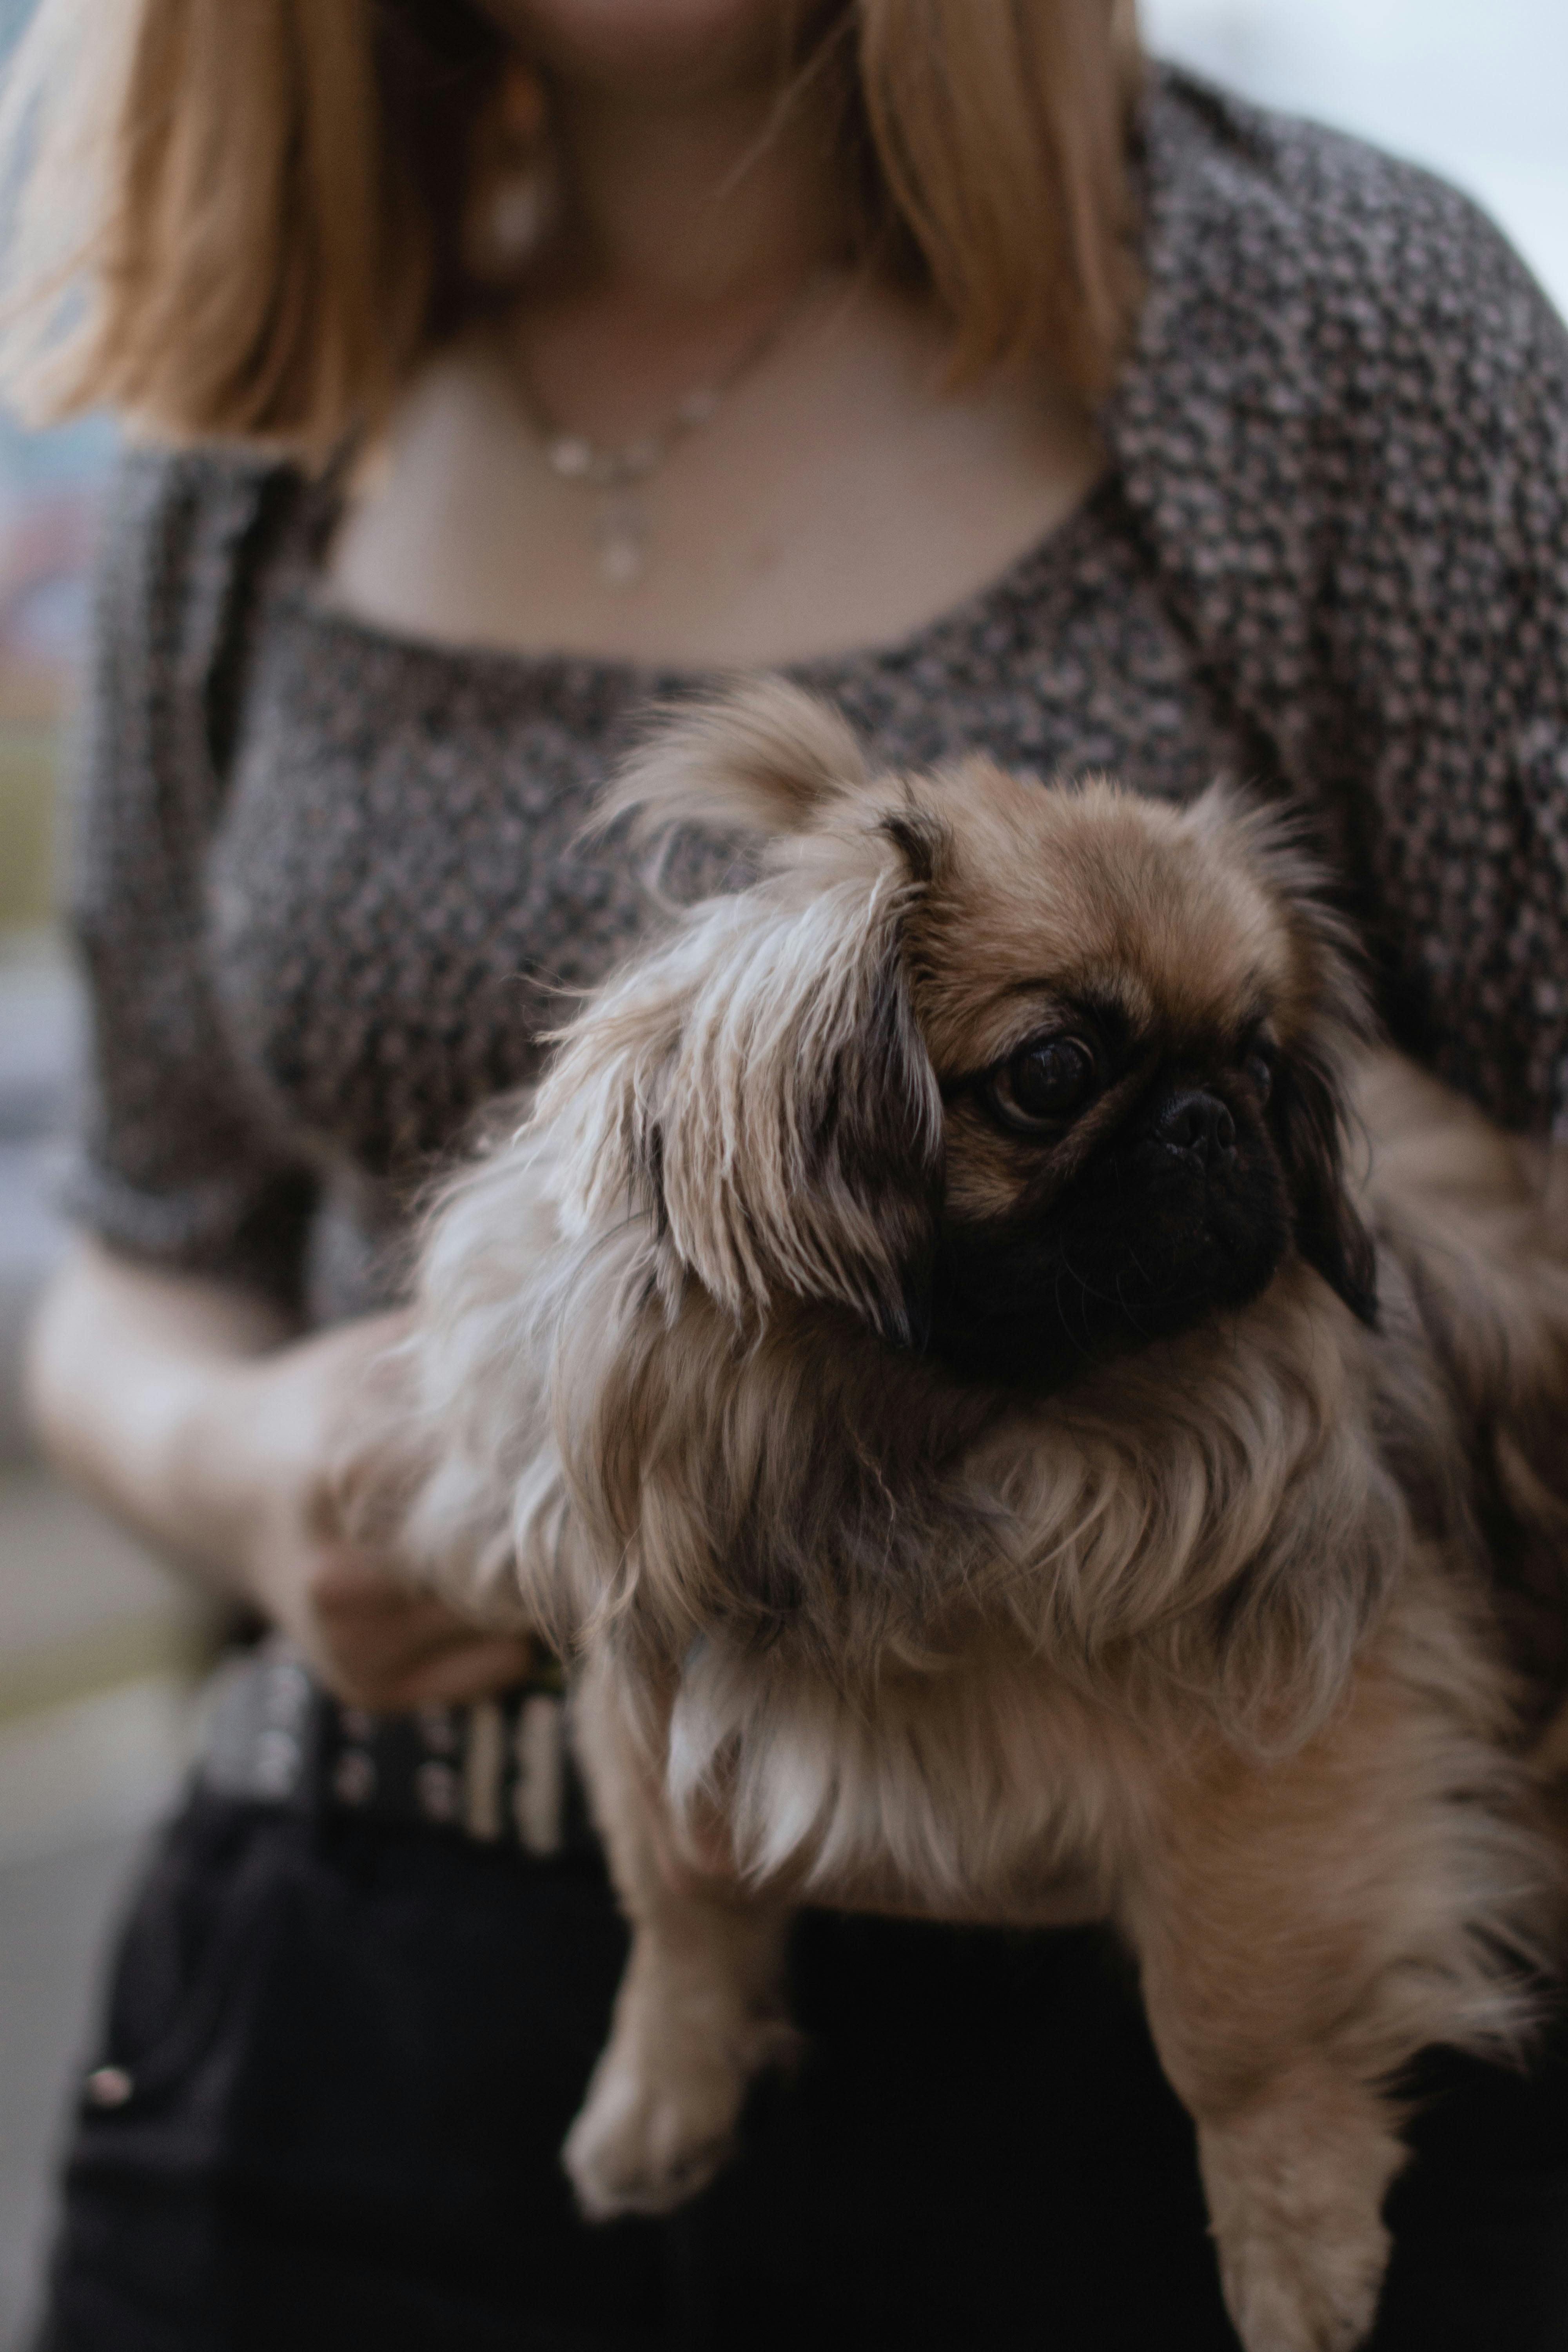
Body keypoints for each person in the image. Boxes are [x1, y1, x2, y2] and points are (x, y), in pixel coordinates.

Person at [10, 1, 1568, 2345]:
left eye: (1241, 1078)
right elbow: (127, 1243)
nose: (1203, 1138)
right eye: (1062, 1074)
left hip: (1225, 2009)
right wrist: (249, 1465)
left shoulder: (1330, 317)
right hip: (382, 1975)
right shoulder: (254, 421)